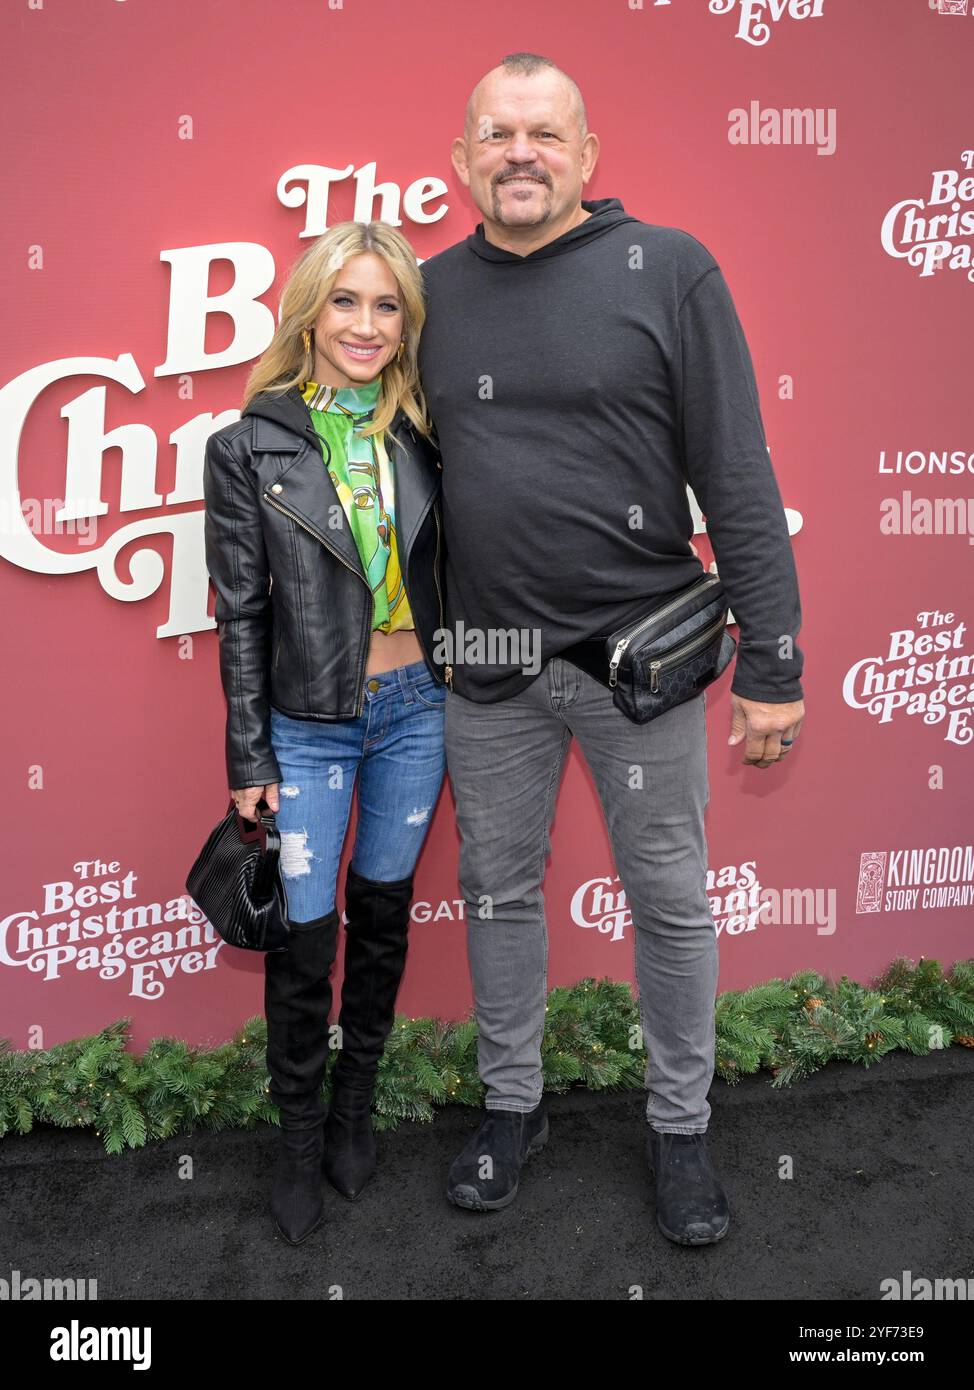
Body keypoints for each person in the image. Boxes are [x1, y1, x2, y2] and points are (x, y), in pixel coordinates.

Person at [417, 53, 806, 1244]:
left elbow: (733, 471)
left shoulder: (669, 268)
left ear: (586, 156)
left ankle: (679, 1126)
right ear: (462, 159)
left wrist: (776, 663)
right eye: (496, 133)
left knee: (670, 904)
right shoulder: (426, 293)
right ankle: (511, 1106)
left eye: (543, 133)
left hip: (636, 665)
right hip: (488, 667)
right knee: (495, 891)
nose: (519, 152)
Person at [202, 221, 451, 1245]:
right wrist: (248, 754)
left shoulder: (423, 434)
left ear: (406, 323)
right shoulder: (245, 447)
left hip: (418, 715)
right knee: (307, 943)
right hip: (307, 733)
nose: (364, 324)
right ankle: (298, 1142)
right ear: (309, 310)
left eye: (385, 305)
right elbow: (241, 613)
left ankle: (356, 1112)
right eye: (345, 301)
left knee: (380, 918)